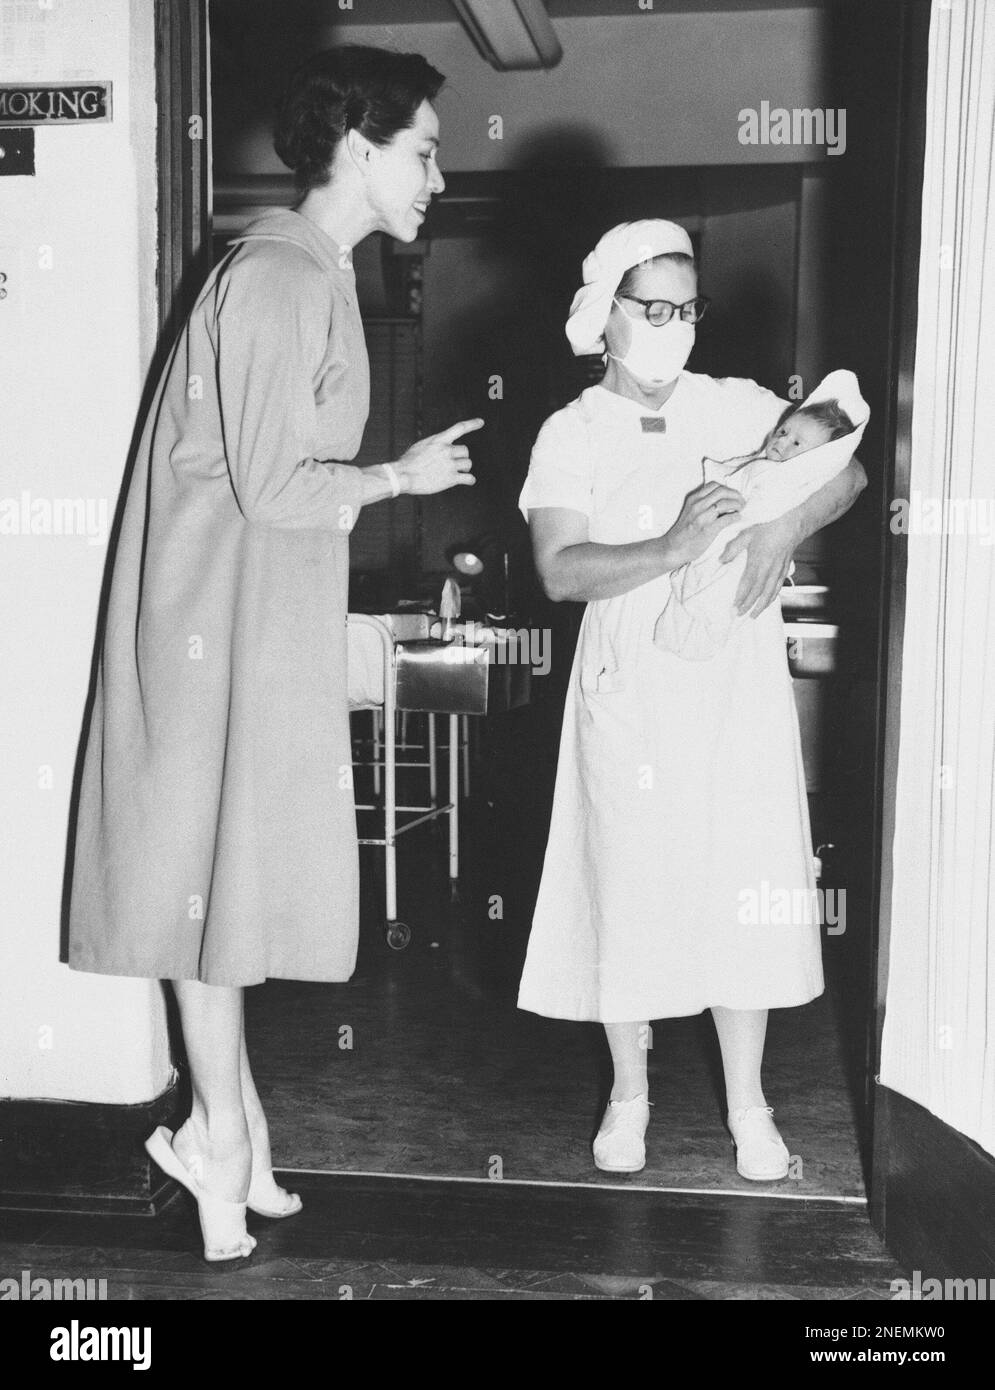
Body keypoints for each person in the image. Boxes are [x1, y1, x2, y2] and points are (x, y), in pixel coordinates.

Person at [67, 45, 481, 1261]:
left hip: (242, 619)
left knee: (226, 890)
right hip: (209, 629)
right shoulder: (281, 273)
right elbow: (264, 478)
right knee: (205, 891)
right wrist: (397, 477)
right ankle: (217, 1148)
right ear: (358, 145)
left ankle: (232, 1127)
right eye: (423, 150)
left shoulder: (314, 269)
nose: (438, 177)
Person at [517, 221, 867, 1181]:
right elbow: (557, 570)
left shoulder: (737, 404)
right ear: (605, 314)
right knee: (626, 879)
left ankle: (749, 1108)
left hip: (731, 681)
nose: (673, 326)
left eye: (687, 309)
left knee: (735, 881)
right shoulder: (571, 431)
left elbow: (850, 467)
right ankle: (629, 1097)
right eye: (652, 308)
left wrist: (781, 527)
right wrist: (668, 549)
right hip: (626, 680)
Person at [655, 374, 867, 659]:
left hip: (735, 568)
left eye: (796, 444)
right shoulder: (768, 455)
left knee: (712, 604)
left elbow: (853, 476)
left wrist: (786, 527)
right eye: (782, 433)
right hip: (679, 574)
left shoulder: (788, 474)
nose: (782, 442)